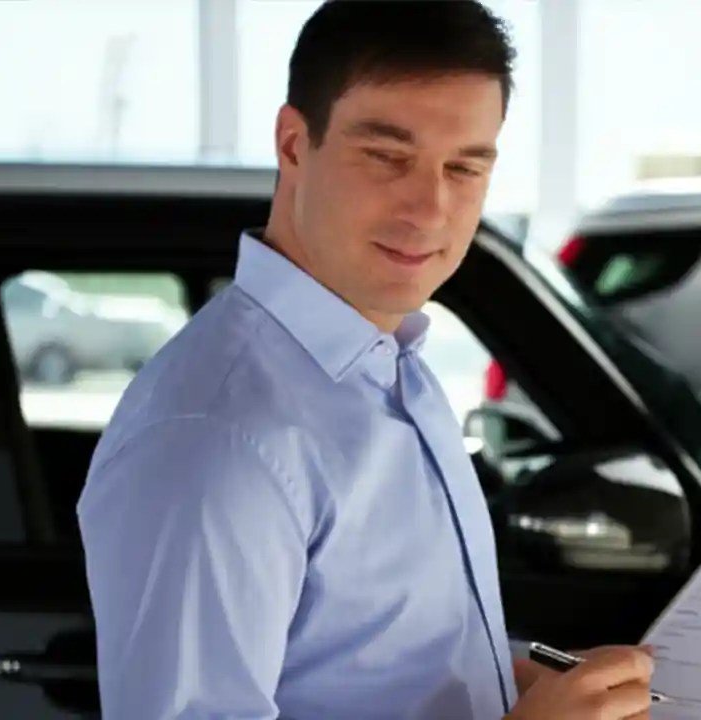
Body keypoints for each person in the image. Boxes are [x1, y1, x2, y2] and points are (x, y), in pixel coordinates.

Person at [75, 1, 655, 718]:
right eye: (388, 157)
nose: (431, 208)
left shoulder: (394, 366)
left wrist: (537, 684)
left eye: (465, 167)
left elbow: (369, 663)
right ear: (293, 143)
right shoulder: (218, 431)